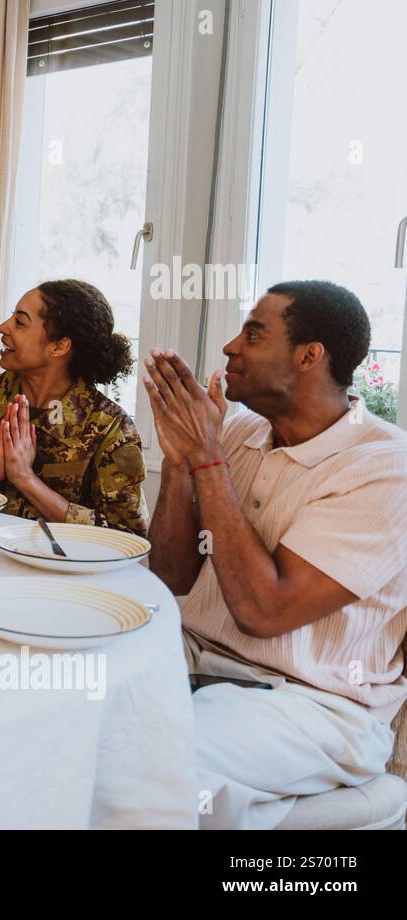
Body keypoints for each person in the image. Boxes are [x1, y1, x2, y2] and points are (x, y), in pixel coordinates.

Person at [144, 280, 407, 829]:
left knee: (142, 763)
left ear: (310, 356)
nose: (229, 348)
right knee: (64, 716)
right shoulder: (239, 433)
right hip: (192, 656)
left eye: (253, 334)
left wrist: (206, 459)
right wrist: (178, 463)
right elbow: (171, 576)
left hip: (313, 703)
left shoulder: (385, 466)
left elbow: (265, 611)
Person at [0, 280, 147, 535]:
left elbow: (125, 536)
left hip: (57, 561)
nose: (2, 327)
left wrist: (25, 479)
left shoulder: (111, 428)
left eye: (19, 322)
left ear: (59, 346)